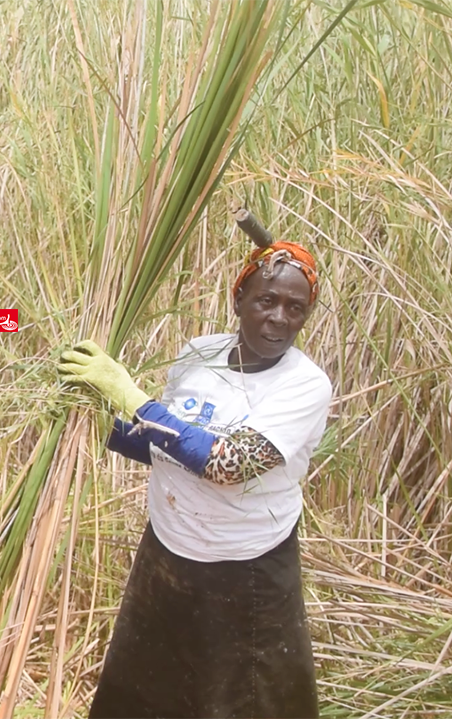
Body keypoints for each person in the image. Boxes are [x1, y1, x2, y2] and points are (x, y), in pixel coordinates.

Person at [58, 241, 332, 719]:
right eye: (266, 300)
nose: (279, 318)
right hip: (167, 552)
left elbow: (227, 465)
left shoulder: (304, 385)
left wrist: (132, 396)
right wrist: (93, 423)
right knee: (147, 688)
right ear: (239, 298)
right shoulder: (199, 355)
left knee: (242, 698)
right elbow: (165, 445)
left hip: (245, 571)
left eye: (296, 308)